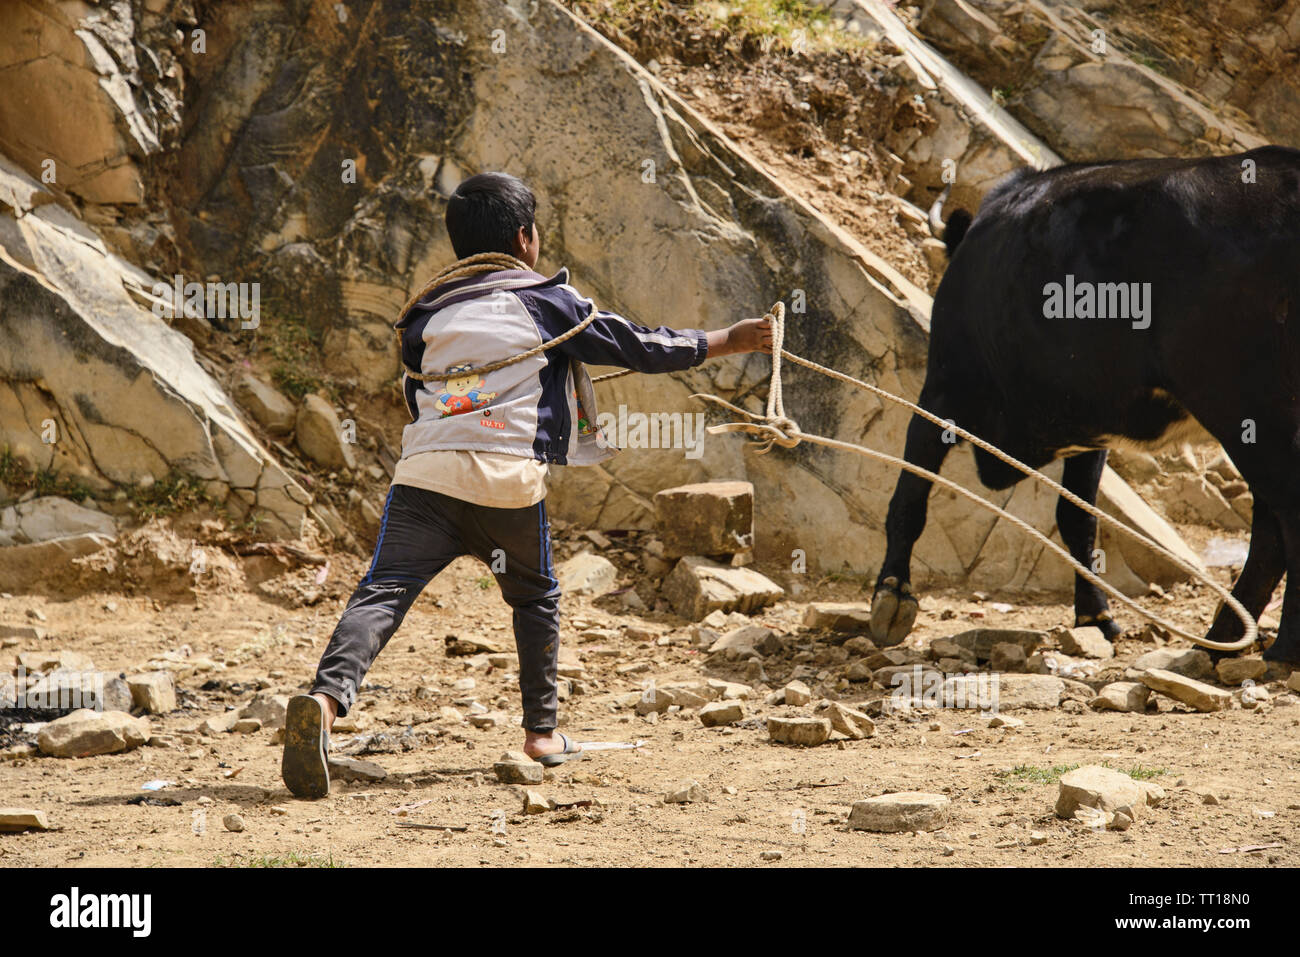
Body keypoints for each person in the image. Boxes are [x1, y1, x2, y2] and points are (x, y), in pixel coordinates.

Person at [281, 171, 772, 799]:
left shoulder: (424, 312)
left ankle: (324, 705)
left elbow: (423, 386)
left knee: (383, 591)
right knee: (535, 597)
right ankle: (541, 735)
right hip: (506, 482)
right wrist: (729, 340)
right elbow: (637, 345)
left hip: (425, 478)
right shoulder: (547, 302)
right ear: (524, 237)